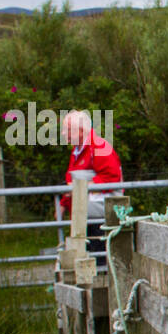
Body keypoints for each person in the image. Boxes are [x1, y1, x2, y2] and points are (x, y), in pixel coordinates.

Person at [58, 110, 123, 257]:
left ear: (80, 131)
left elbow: (112, 177)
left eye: (67, 130)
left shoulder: (99, 147)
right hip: (85, 215)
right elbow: (71, 182)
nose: (63, 133)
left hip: (100, 215)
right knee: (86, 254)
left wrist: (81, 188)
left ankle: (101, 274)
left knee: (99, 256)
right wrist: (63, 204)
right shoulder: (77, 151)